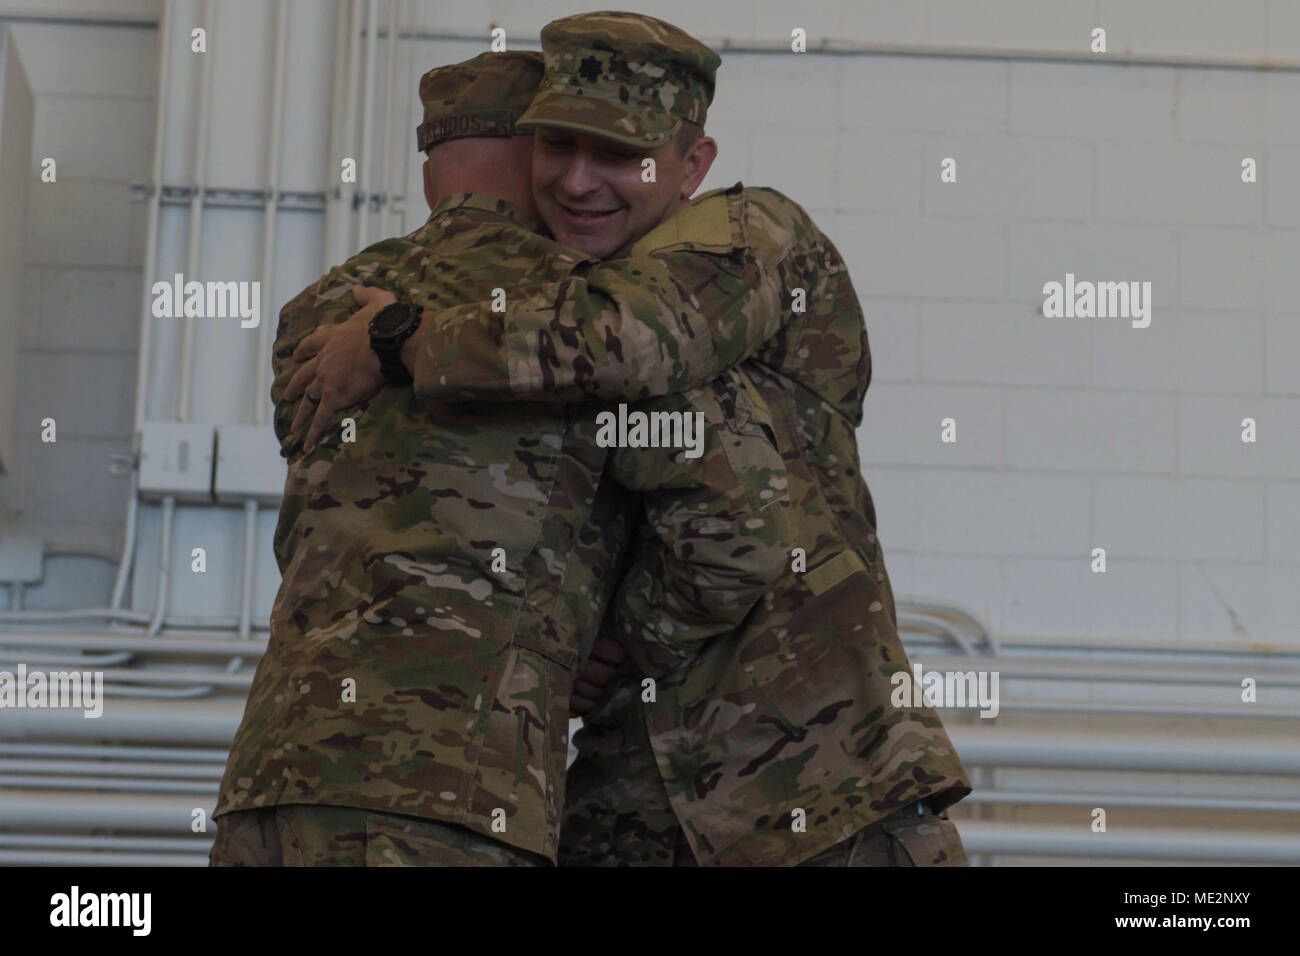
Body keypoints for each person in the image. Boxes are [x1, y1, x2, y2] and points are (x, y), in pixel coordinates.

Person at [395, 11, 975, 866]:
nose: (580, 182)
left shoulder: (747, 237)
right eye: (557, 149)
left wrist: (395, 341)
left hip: (821, 794)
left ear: (692, 165)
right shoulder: (554, 306)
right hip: (631, 811)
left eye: (620, 156)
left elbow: (628, 339)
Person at [209, 50, 789, 866]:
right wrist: (617, 646)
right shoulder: (596, 318)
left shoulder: (325, 308)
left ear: (428, 174)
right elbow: (744, 539)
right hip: (456, 792)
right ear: (543, 157)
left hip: (271, 779)